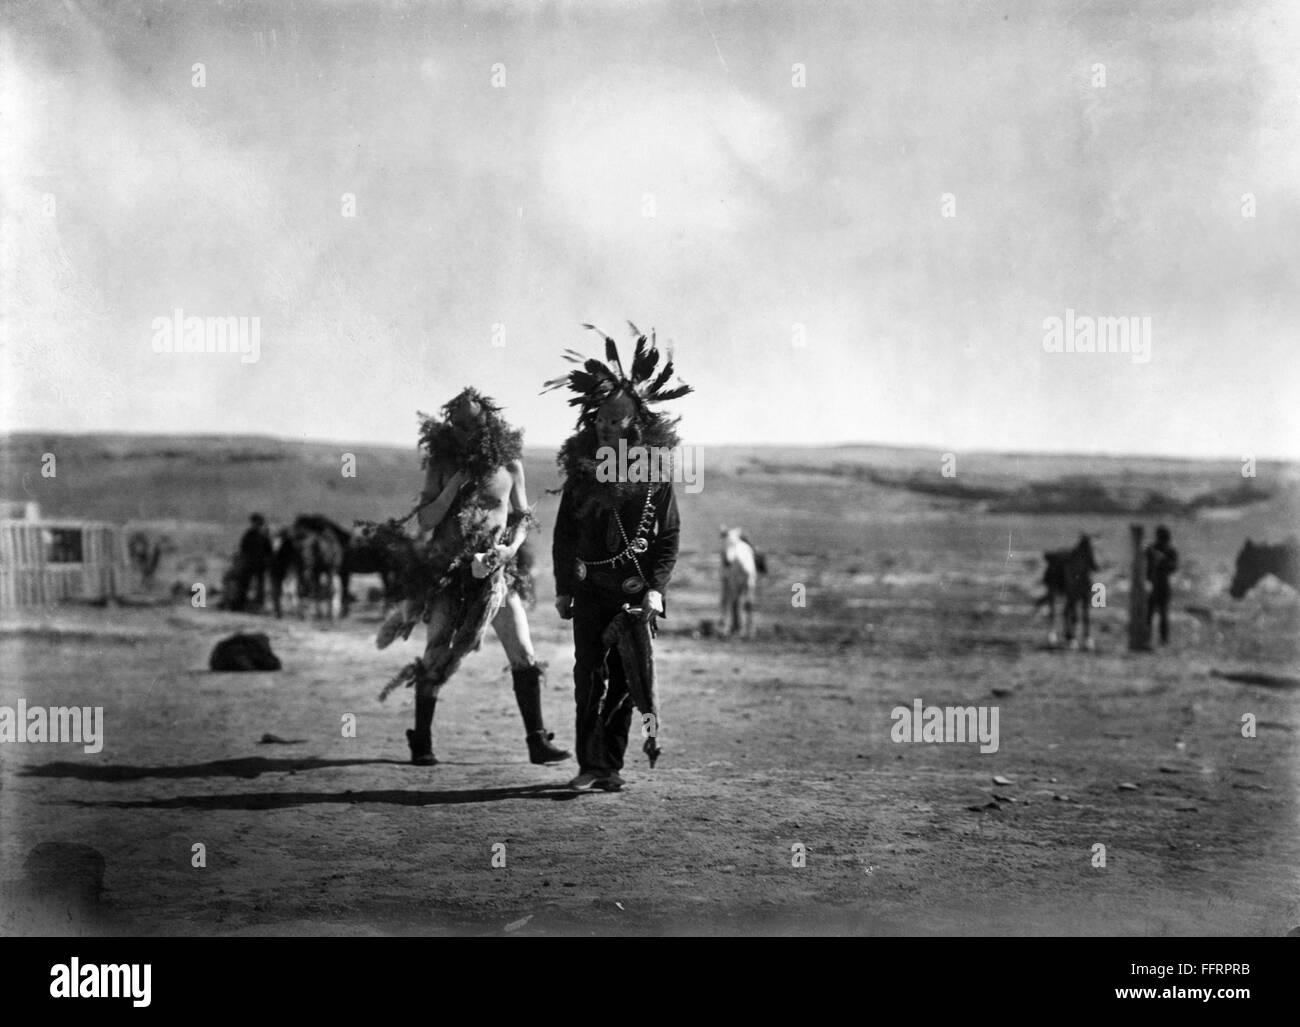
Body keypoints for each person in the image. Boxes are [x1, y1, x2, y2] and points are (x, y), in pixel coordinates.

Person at [368, 388, 570, 767]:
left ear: (487, 424)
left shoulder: (509, 466)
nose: (465, 433)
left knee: (524, 654)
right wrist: (452, 487)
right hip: (450, 578)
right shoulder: (442, 463)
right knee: (437, 658)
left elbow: (522, 516)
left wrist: (512, 547)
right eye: (457, 426)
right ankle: (421, 740)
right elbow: (426, 520)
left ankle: (537, 740)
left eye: (472, 425)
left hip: (498, 575)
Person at [545, 324, 690, 791]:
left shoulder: (654, 476)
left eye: (617, 419)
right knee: (588, 677)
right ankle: (588, 766)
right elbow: (564, 534)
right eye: (601, 419)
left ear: (635, 423)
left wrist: (656, 589)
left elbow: (668, 536)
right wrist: (564, 587)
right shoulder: (582, 475)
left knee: (626, 681)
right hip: (588, 590)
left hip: (633, 592)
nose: (607, 426)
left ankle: (609, 766)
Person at [232, 513, 274, 612]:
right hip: (251, 563)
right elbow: (243, 549)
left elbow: (268, 551)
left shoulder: (260, 536)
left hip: (258, 564)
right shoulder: (252, 535)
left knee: (258, 586)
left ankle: (257, 605)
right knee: (245, 584)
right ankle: (241, 604)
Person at [1145, 524, 1179, 645]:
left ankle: (1163, 639)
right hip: (1153, 585)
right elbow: (1144, 566)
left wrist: (1163, 560)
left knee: (1163, 614)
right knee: (1148, 614)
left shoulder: (1170, 551)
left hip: (1162, 585)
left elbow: (1173, 567)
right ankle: (1147, 637)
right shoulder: (1151, 549)